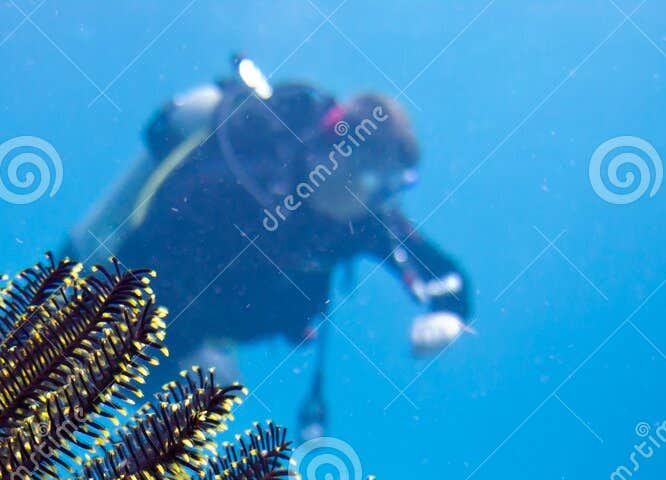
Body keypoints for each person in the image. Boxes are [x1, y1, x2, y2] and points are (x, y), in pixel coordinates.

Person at [65, 57, 472, 439]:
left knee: (210, 395)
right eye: (377, 182)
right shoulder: (256, 152)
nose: (382, 200)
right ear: (339, 155)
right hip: (116, 291)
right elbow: (162, 220)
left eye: (392, 188)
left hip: (191, 341)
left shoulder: (362, 220)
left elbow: (443, 274)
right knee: (43, 374)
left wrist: (448, 315)